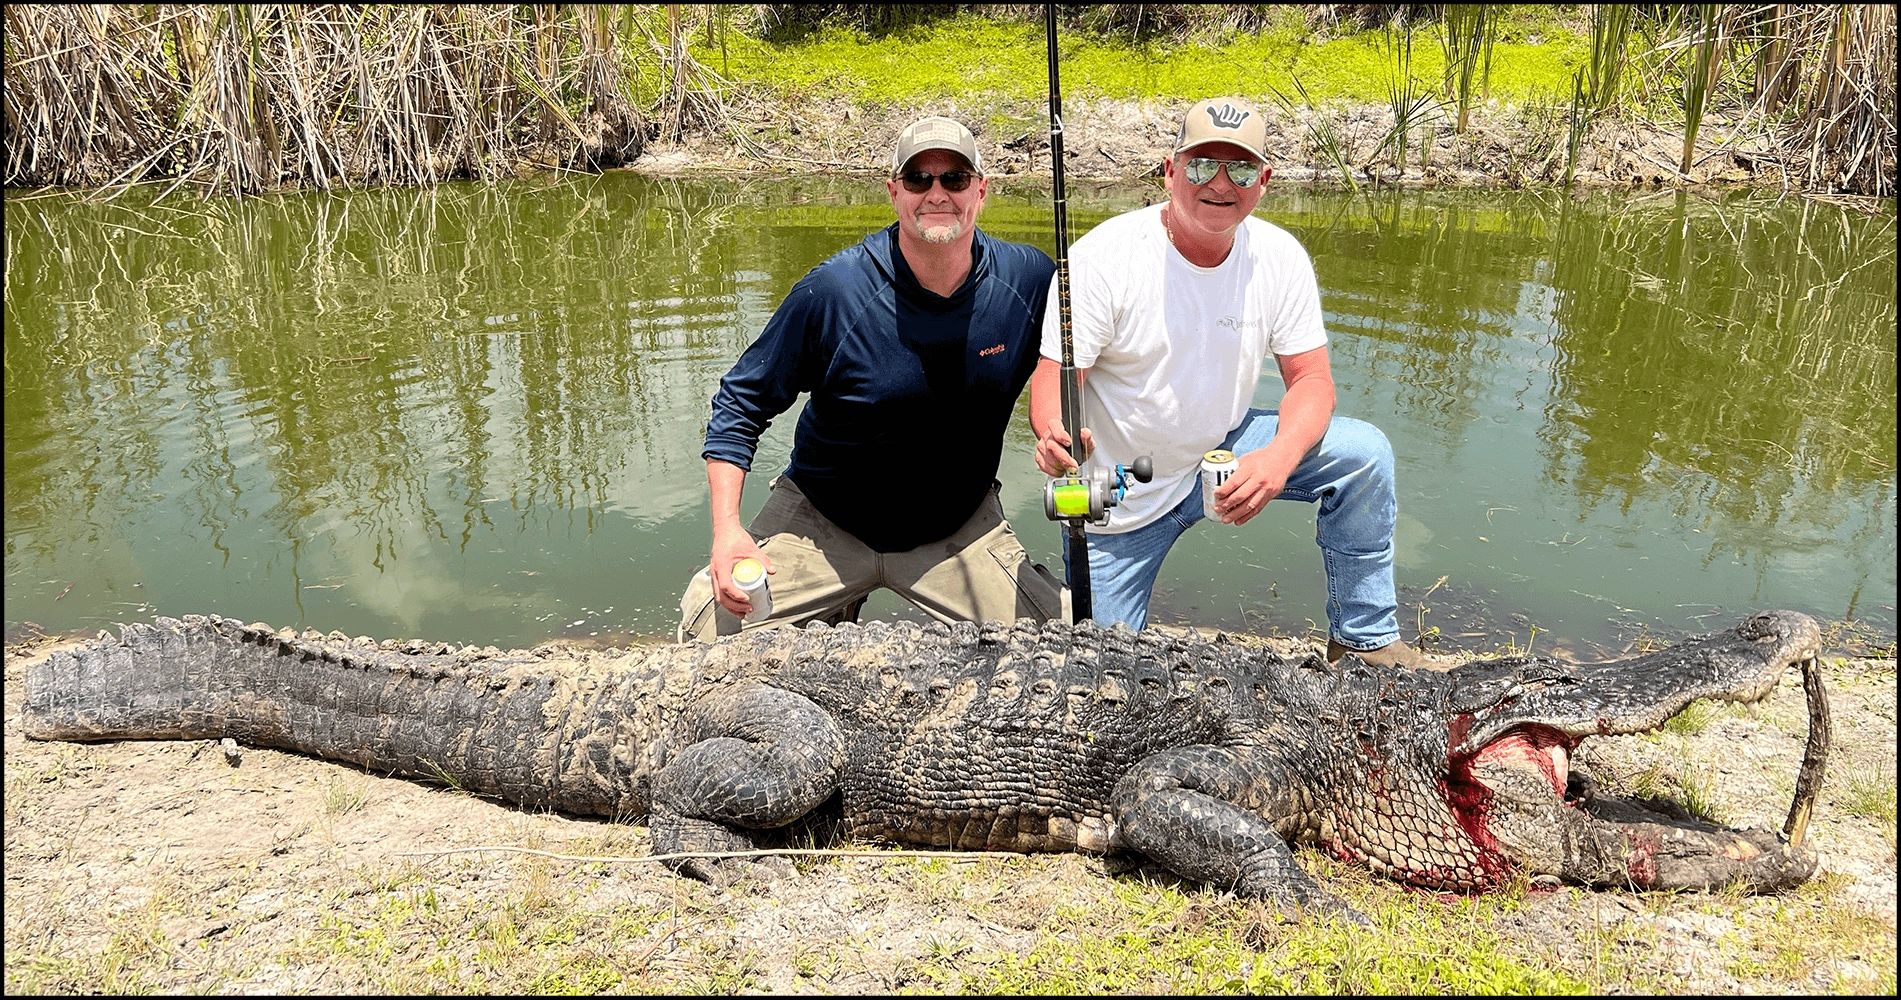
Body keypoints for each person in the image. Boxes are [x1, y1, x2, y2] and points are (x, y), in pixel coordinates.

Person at [1027, 97, 1419, 667]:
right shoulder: (1103, 259)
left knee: (1364, 456)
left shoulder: (1279, 257)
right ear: (1169, 170)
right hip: (1118, 494)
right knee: (1105, 674)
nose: (1219, 182)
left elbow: (1312, 381)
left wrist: (1280, 456)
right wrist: (1056, 438)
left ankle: (1364, 643)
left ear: (1263, 180)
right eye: (1200, 164)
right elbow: (1053, 382)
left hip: (1220, 452)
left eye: (1238, 168)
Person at [678, 115, 1064, 642]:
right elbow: (740, 403)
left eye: (953, 179)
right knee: (708, 624)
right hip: (823, 522)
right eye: (918, 180)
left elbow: (1075, 358)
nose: (936, 194)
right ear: (893, 192)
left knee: (1064, 642)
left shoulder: (1030, 279)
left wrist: (1056, 426)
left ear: (981, 191)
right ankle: (829, 603)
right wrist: (727, 531)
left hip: (957, 526)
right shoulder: (834, 291)